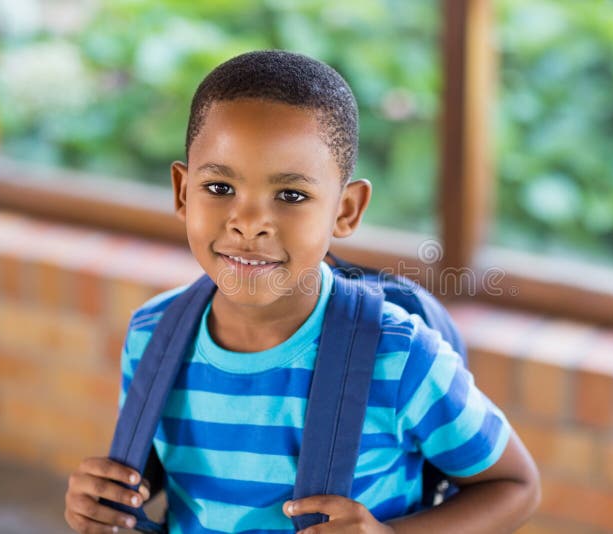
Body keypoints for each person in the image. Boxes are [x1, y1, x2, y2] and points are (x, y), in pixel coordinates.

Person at [64, 50, 540, 534]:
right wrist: (106, 501)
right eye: (220, 187)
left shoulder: (399, 356)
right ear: (183, 192)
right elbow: (167, 472)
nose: (248, 223)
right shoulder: (152, 335)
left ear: (346, 210)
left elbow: (515, 486)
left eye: (291, 195)